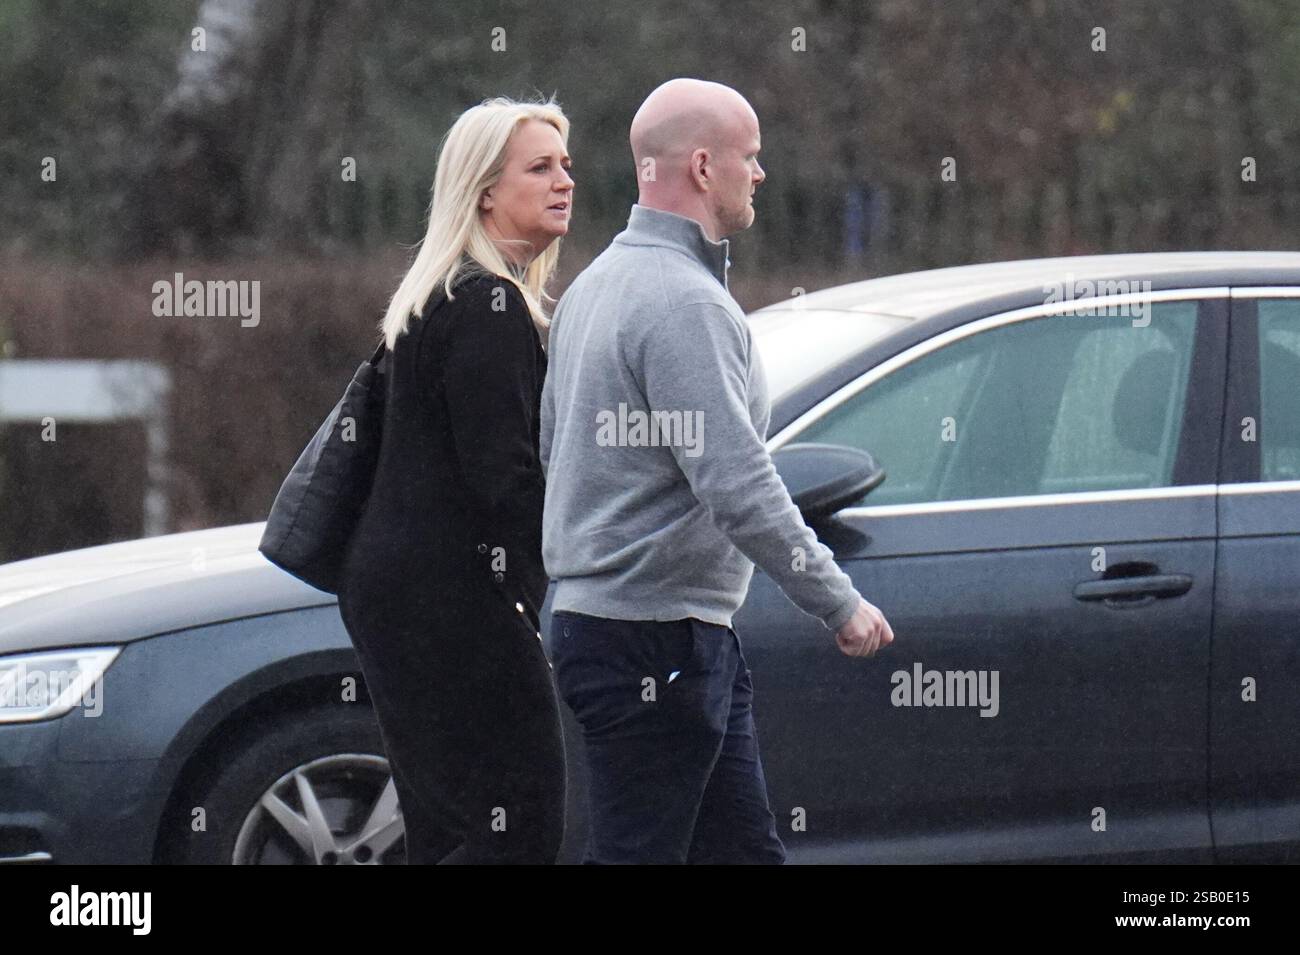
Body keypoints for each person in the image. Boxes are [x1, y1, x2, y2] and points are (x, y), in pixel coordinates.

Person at [540, 78, 895, 864]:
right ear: (703, 167)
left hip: (649, 631)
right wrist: (836, 600)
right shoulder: (682, 305)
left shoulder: (595, 286)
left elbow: (552, 451)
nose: (760, 174)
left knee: (740, 853)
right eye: (750, 157)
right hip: (652, 640)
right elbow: (736, 482)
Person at [338, 96, 574, 864]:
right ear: (483, 191)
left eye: (565, 164)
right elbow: (502, 479)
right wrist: (567, 580)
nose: (563, 180)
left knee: (449, 825)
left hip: (403, 592)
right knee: (518, 821)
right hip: (452, 601)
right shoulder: (488, 304)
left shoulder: (442, 296)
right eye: (539, 168)